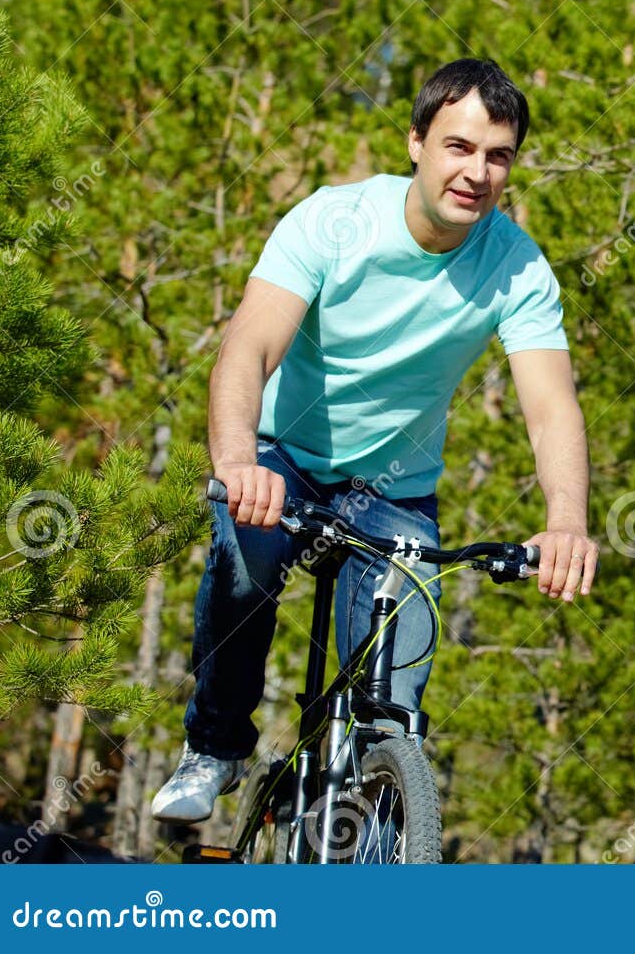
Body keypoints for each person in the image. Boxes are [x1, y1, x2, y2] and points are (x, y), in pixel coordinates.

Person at [152, 59, 599, 824]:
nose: (477, 172)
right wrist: (236, 461)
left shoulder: (518, 266)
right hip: (283, 465)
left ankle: (371, 835)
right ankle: (216, 744)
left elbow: (551, 407)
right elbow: (248, 349)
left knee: (395, 701)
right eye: (458, 147)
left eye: (498, 156)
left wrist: (566, 520)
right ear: (417, 142)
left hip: (394, 494)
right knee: (241, 560)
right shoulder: (334, 220)